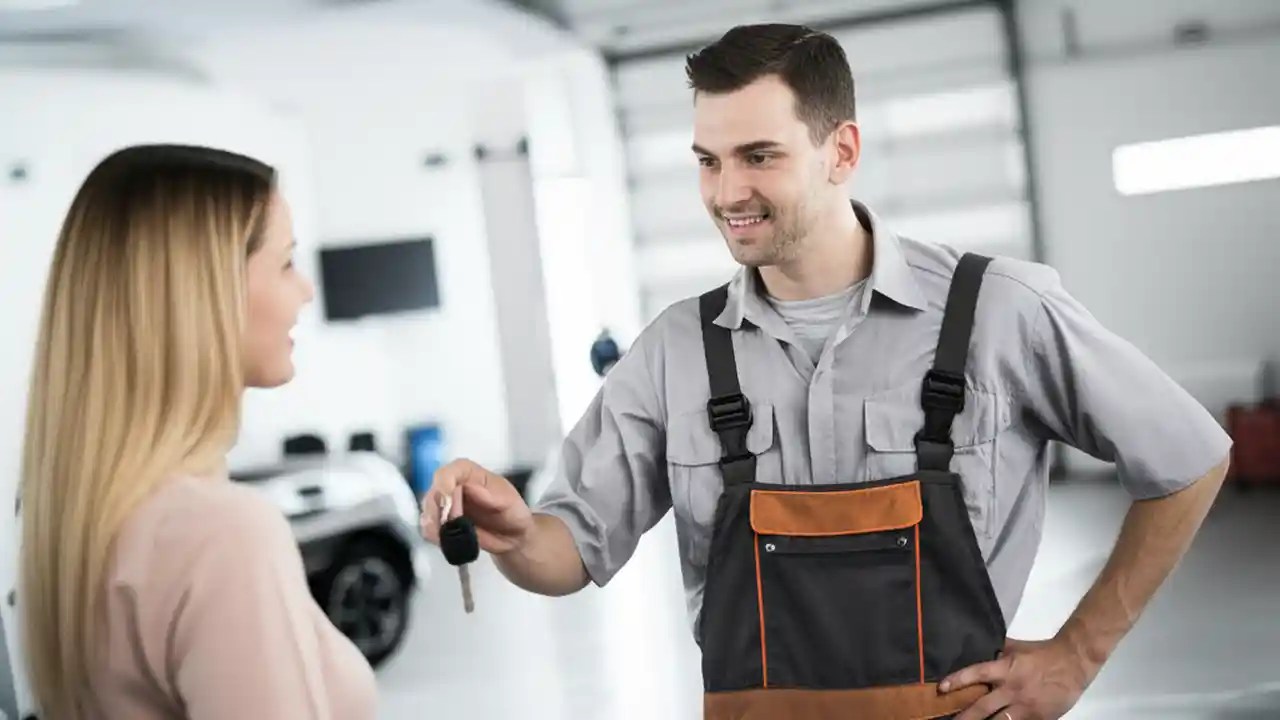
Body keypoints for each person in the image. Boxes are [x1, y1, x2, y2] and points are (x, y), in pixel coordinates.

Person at [420, 23, 1231, 720]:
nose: (727, 192)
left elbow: (1189, 457)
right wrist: (517, 535)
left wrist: (1077, 655)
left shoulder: (998, 312)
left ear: (841, 151)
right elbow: (571, 549)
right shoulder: (675, 352)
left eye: (758, 156)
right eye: (707, 161)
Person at [18, 144, 377, 719]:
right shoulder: (223, 535)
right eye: (285, 263)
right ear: (206, 293)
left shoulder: (79, 518)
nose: (306, 289)